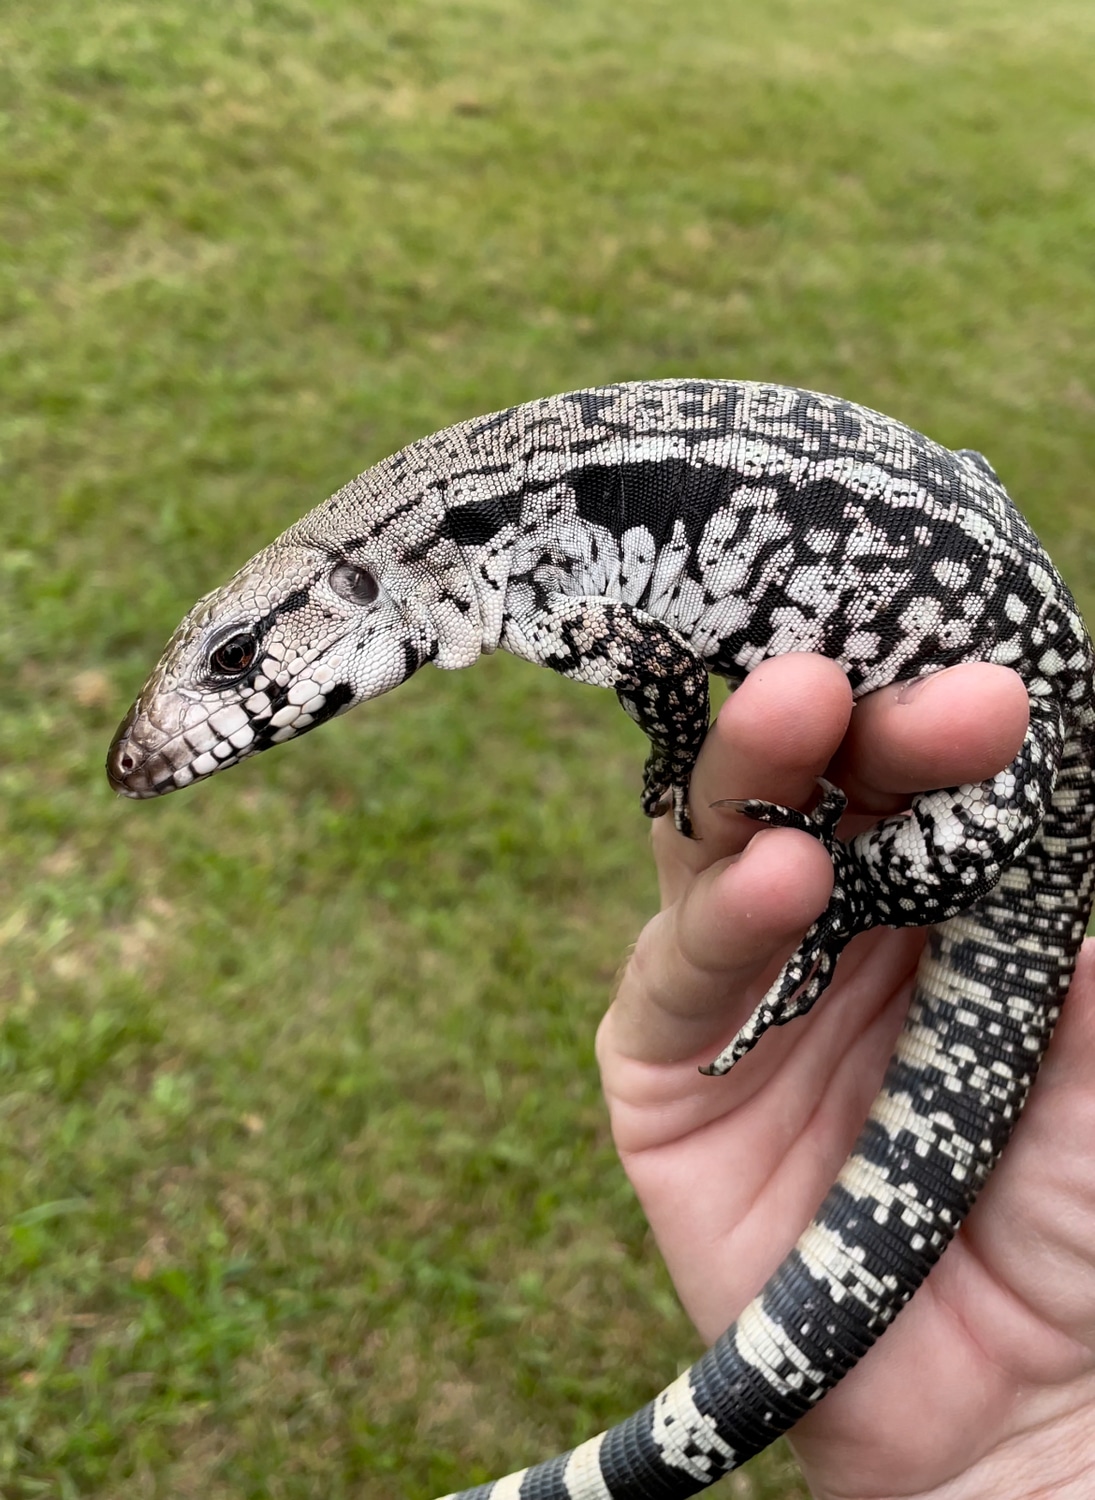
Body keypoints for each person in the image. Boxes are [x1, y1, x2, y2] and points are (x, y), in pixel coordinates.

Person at [597, 653, 1095, 1500]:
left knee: (810, 845)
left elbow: (660, 671)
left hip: (1029, 771)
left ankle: (844, 897)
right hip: (1018, 781)